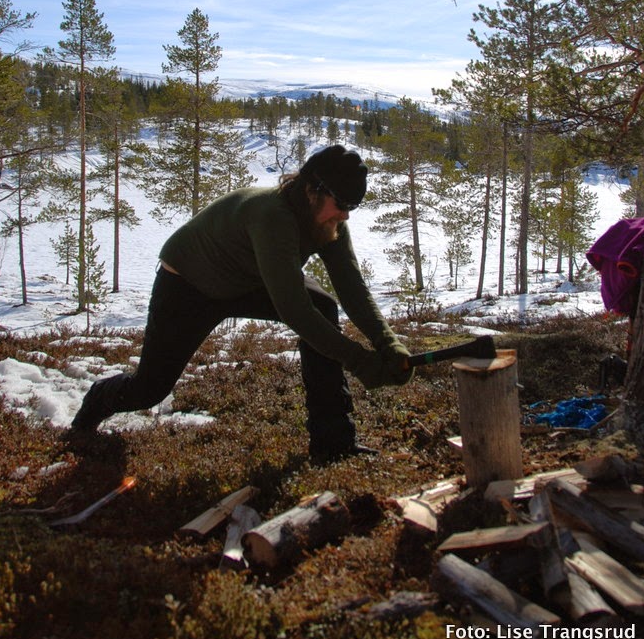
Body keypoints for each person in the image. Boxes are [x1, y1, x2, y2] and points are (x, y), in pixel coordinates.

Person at [70, 145, 413, 463]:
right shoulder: (273, 217)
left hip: (248, 279)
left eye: (353, 207)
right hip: (189, 283)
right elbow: (295, 311)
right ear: (313, 190)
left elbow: (352, 288)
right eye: (342, 204)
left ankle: (333, 444)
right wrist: (360, 362)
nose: (346, 216)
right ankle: (94, 405)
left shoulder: (327, 220)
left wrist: (388, 343)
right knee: (149, 389)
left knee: (323, 306)